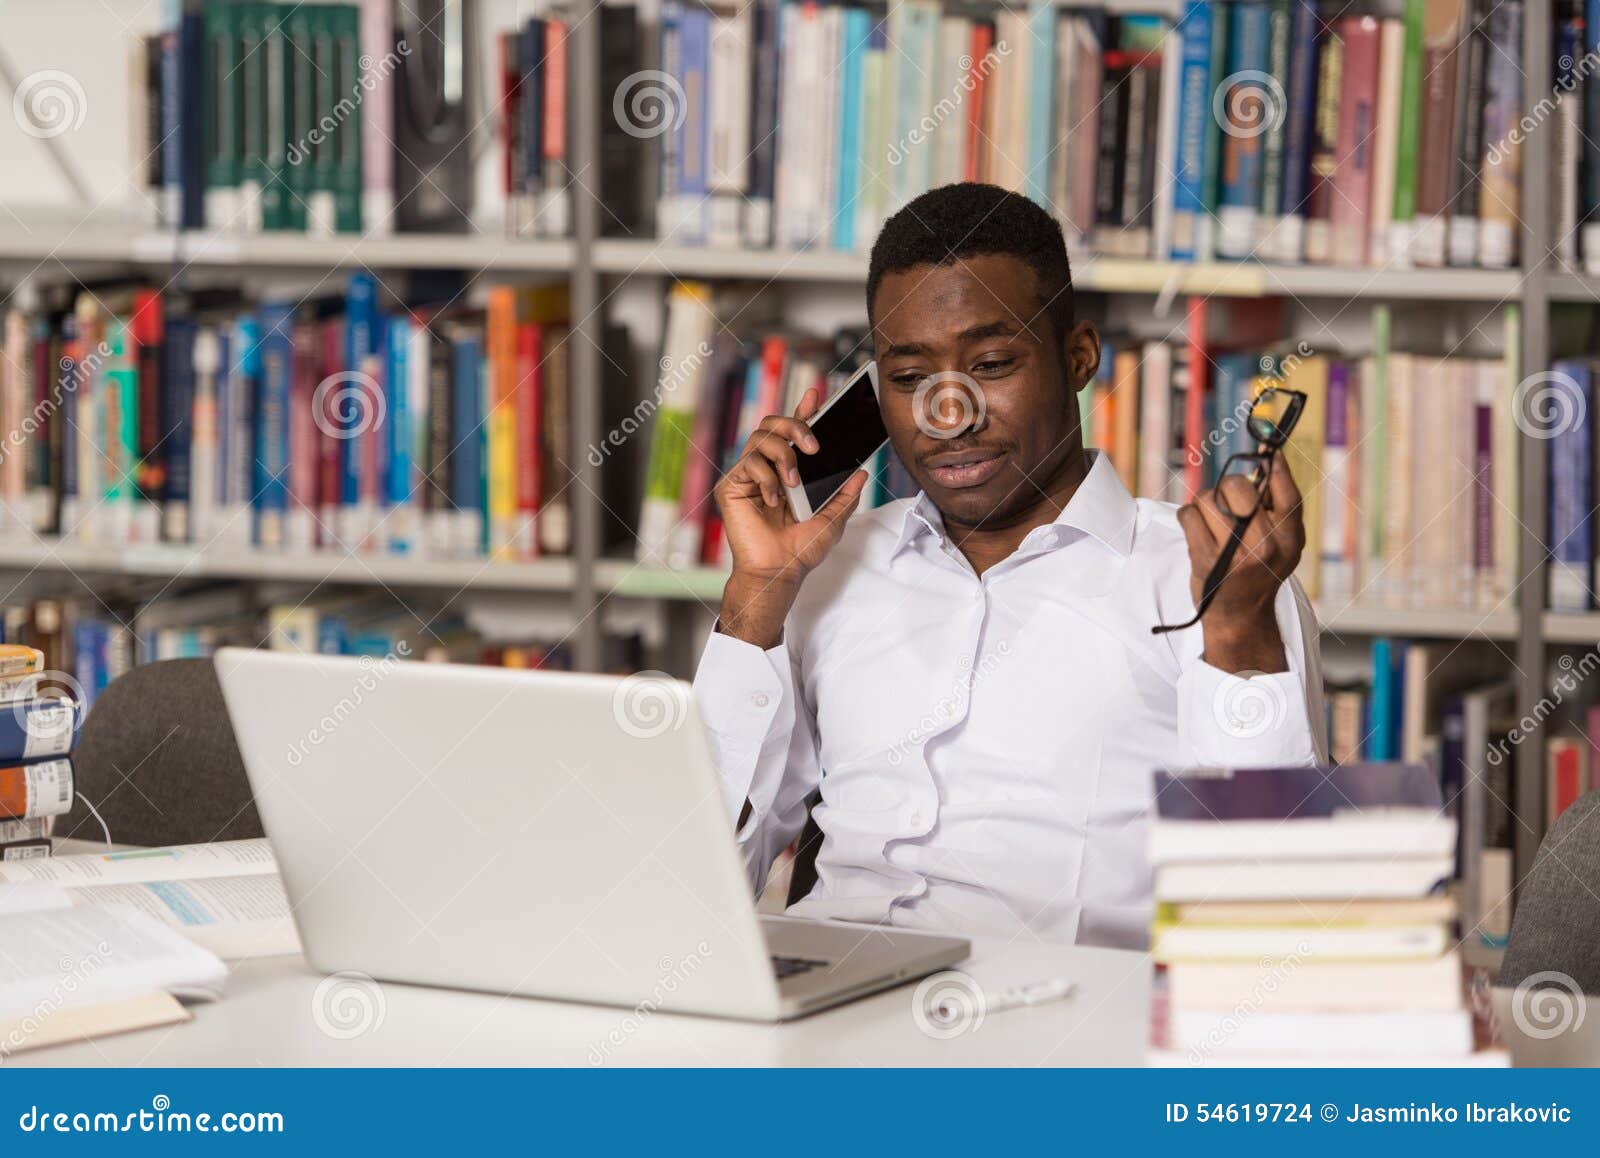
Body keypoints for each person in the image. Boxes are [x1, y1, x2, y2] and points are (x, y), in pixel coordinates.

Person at [691, 183, 1324, 949]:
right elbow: (692, 892)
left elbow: (1269, 914)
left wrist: (1240, 636)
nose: (948, 414)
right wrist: (754, 603)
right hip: (828, 1014)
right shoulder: (820, 572)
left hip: (1057, 1035)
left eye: (990, 364)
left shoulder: (1214, 583)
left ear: (1079, 357)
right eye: (909, 377)